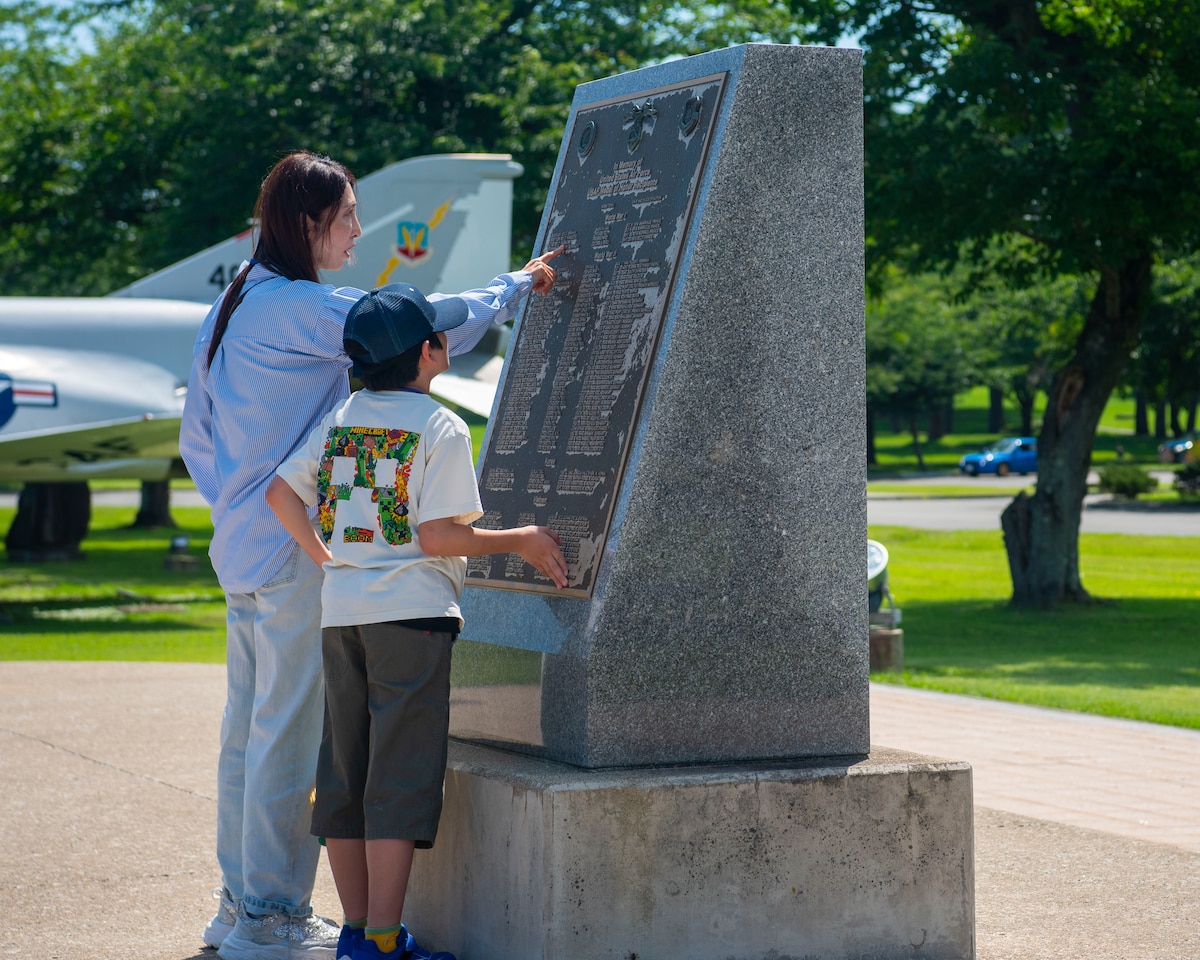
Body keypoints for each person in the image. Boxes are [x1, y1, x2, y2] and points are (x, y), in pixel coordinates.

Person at [178, 150, 561, 960]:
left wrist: (238, 509)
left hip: (243, 544)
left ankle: (238, 905)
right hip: (289, 556)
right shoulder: (302, 308)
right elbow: (426, 316)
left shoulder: (233, 303)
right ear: (312, 223)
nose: (359, 230)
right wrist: (516, 285)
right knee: (288, 736)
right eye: (348, 216)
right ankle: (273, 919)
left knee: (246, 733)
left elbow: (197, 436)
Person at [265, 283, 567, 960]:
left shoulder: (344, 416)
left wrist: (328, 557)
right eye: (440, 336)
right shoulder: (440, 426)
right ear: (428, 352)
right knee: (397, 780)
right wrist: (520, 538)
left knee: (345, 776)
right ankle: (382, 942)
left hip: (341, 618)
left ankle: (355, 935)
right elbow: (438, 538)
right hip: (413, 620)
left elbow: (280, 493)